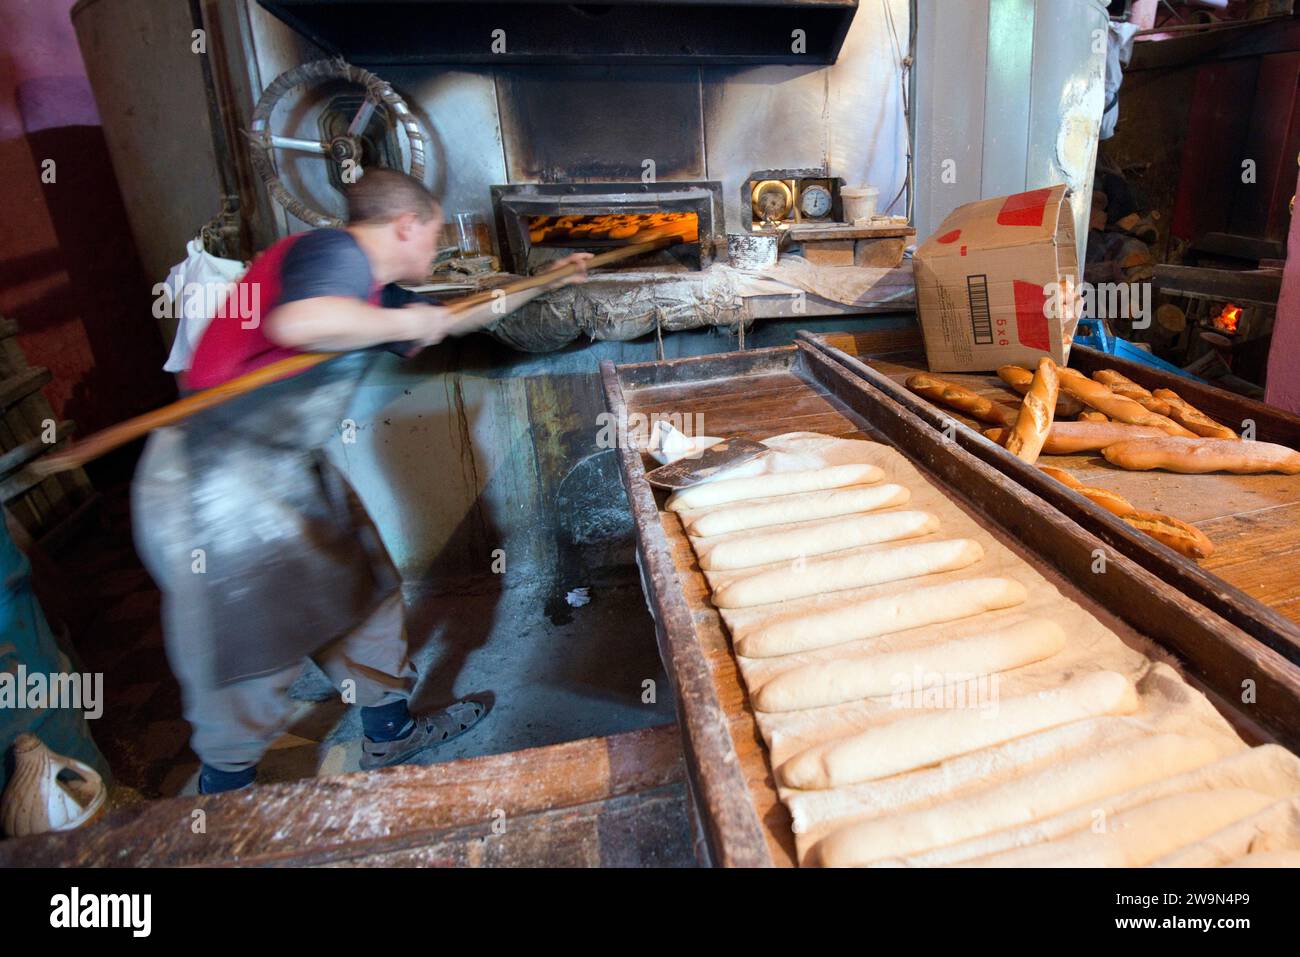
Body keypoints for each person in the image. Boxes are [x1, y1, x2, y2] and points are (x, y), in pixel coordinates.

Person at [133, 169, 590, 794]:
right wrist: (405, 327)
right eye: (430, 238)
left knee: (369, 590)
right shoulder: (328, 254)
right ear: (406, 225)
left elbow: (456, 317)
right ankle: (224, 797)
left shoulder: (373, 291)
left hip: (285, 464)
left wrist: (548, 281)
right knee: (251, 650)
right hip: (215, 480)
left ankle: (389, 734)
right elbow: (301, 324)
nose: (432, 255)